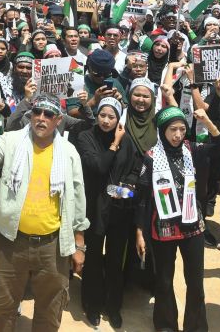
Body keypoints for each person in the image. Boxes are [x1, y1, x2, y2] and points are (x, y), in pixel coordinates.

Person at [0, 94, 89, 332]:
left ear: (58, 120)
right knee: (2, 308)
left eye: (49, 114)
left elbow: (77, 199)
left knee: (50, 310)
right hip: (10, 242)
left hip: (52, 246)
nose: (41, 118)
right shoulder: (11, 141)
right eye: (37, 113)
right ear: (30, 115)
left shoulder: (68, 151)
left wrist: (79, 244)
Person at [132, 106, 208, 332]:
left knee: (195, 282)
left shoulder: (192, 149)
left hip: (193, 226)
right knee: (164, 281)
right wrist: (140, 232)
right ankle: (166, 325)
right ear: (163, 130)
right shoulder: (151, 158)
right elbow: (143, 199)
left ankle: (195, 326)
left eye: (182, 129)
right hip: (163, 228)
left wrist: (208, 122)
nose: (177, 134)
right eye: (172, 129)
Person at [72, 96, 133, 329]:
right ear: (96, 115)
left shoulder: (127, 142)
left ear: (118, 119)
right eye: (102, 115)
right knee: (94, 259)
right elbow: (98, 166)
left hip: (119, 210)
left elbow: (133, 169)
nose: (106, 121)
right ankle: (92, 305)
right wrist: (114, 143)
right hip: (94, 208)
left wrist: (127, 189)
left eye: (111, 116)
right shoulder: (86, 137)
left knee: (116, 260)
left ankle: (113, 306)